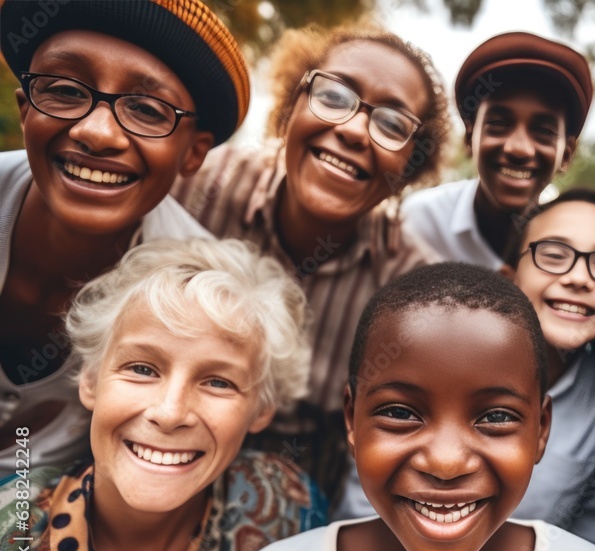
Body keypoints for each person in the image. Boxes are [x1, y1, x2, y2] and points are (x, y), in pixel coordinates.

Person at [194, 263, 595, 551]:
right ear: (352, 419)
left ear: (541, 430)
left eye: (495, 417)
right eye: (400, 413)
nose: (446, 462)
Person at [0, 238, 325, 551]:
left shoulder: (289, 509)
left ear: (261, 409)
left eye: (218, 382)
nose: (170, 413)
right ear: (91, 382)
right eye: (141, 368)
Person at [171, 25, 449, 506]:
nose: (354, 130)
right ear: (290, 107)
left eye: (392, 125)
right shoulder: (200, 187)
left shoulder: (410, 289)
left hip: (292, 503)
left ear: (409, 170)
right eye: (334, 95)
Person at [0, 0, 250, 476]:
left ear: (192, 154)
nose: (96, 132)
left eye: (147, 110)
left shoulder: (199, 292)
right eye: (64, 90)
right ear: (25, 108)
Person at [336, 190, 595, 551]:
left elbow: (590, 539)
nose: (579, 278)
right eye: (553, 255)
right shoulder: (427, 354)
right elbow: (358, 514)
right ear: (509, 279)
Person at [401, 31, 593, 269]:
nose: (519, 149)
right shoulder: (421, 221)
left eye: (543, 131)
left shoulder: (579, 246)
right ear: (470, 138)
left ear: (566, 154)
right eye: (499, 124)